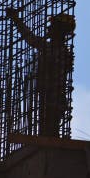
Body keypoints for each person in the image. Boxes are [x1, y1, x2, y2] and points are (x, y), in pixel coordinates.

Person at [6, 7, 75, 137]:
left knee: (48, 132)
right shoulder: (61, 51)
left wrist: (16, 19)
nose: (48, 28)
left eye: (52, 26)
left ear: (59, 30)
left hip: (52, 99)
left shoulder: (54, 49)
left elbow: (31, 39)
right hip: (52, 98)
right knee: (48, 131)